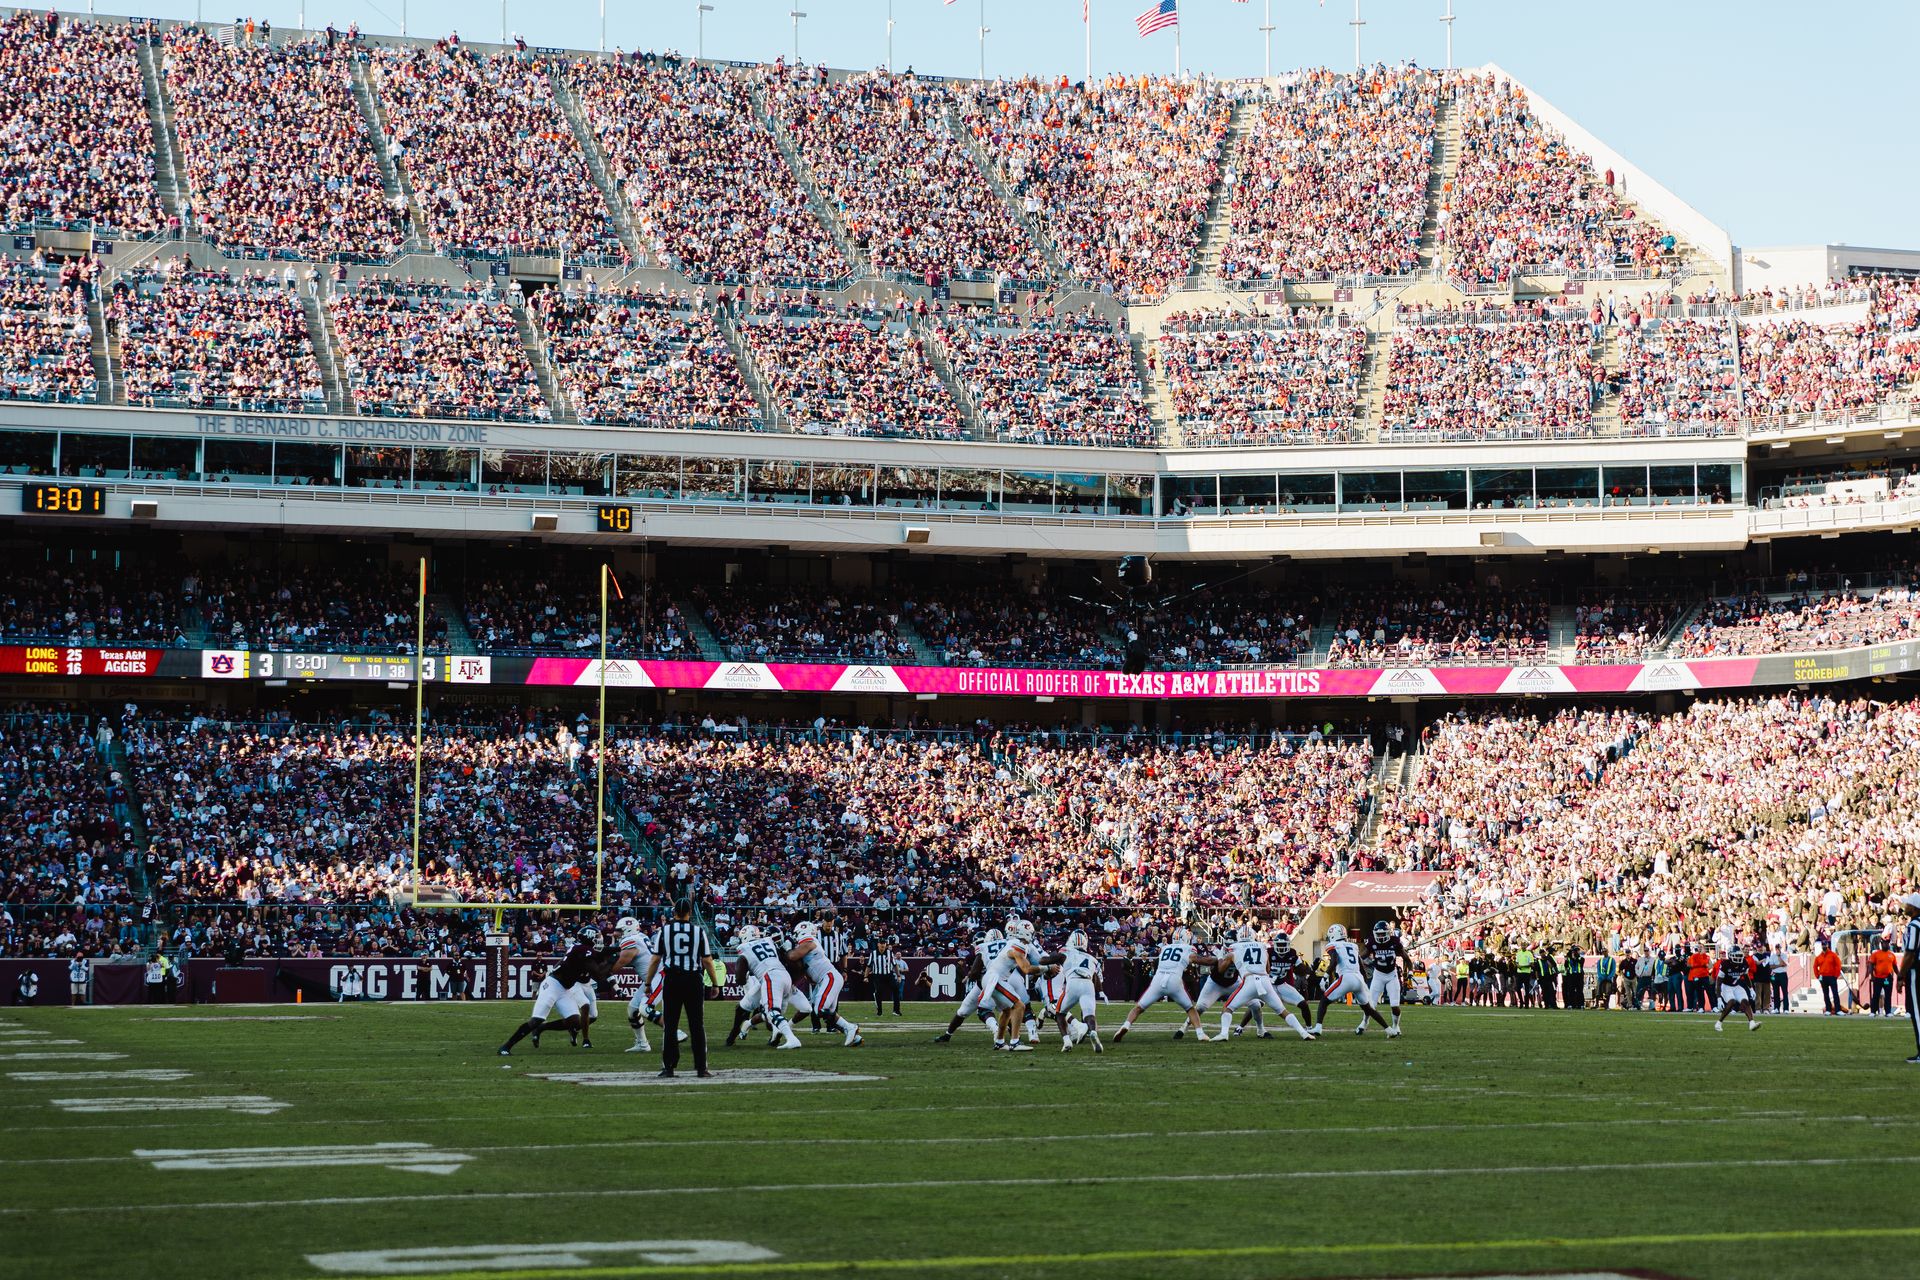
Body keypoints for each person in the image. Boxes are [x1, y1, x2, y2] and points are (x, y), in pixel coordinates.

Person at [497, 928, 600, 1055]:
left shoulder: (580, 950)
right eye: (596, 936)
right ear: (589, 937)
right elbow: (597, 971)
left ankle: (542, 1028)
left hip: (565, 989)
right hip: (553, 985)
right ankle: (506, 1047)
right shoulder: (583, 950)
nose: (598, 939)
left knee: (575, 1021)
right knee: (537, 1019)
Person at [647, 898, 712, 1078]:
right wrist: (715, 982)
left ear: (674, 912)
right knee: (697, 1025)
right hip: (693, 980)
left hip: (673, 980)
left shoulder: (665, 931)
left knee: (670, 1025)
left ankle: (669, 1067)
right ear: (690, 912)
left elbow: (655, 959)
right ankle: (701, 1068)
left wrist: (647, 982)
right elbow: (707, 960)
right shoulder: (698, 931)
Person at [1112, 925, 1203, 1042]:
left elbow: (1158, 961)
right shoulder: (1188, 948)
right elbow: (1198, 959)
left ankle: (1125, 1025)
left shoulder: (1165, 948)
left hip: (1158, 979)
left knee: (1138, 1008)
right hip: (1174, 980)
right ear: (1185, 937)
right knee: (1190, 1008)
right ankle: (1200, 1033)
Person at [725, 924, 802, 1050]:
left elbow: (740, 980)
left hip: (770, 978)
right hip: (784, 976)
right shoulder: (768, 941)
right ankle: (735, 1036)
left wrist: (748, 971)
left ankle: (792, 1039)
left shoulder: (744, 950)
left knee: (771, 1013)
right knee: (743, 1007)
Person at [787, 921, 862, 1047]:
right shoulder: (809, 945)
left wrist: (786, 948)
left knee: (820, 1009)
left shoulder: (810, 943)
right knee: (826, 1014)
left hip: (829, 977)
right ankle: (855, 1036)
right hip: (826, 979)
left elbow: (792, 956)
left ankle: (850, 1027)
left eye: (797, 933)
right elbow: (808, 975)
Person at [1314, 924, 1391, 1036]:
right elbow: (1361, 966)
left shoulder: (1333, 945)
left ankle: (1317, 1028)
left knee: (1324, 1001)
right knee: (1368, 1009)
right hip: (1358, 978)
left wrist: (1325, 977)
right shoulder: (1353, 945)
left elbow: (1334, 960)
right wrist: (1363, 982)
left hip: (1346, 977)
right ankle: (1389, 1029)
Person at [1362, 920, 1408, 1038]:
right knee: (1371, 1004)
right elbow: (1363, 956)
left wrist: (1409, 972)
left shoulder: (1395, 942)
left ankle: (1395, 1025)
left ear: (1388, 933)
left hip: (1392, 975)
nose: (1381, 936)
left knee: (1395, 1005)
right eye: (1379, 934)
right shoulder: (1372, 942)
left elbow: (1406, 958)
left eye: (1383, 934)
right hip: (1378, 975)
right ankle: (1364, 1022)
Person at [1711, 945, 1761, 1033]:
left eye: (1739, 955)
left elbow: (1746, 976)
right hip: (1725, 986)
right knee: (1732, 1001)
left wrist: (1751, 989)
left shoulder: (1744, 962)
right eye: (1736, 955)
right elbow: (1718, 983)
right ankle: (1719, 1023)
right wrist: (1719, 998)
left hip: (1736, 986)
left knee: (1745, 1001)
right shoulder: (1725, 964)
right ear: (1730, 955)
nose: (1738, 958)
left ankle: (1752, 1023)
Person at [1897, 893, 1920, 1064]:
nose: (1905, 907)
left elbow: (1910, 953)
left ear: (1914, 908)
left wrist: (1900, 974)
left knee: (1917, 1012)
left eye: (1908, 905)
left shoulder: (1914, 926)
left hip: (1916, 971)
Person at [869, 936, 904, 1017]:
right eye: (881, 943)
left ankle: (896, 1010)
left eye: (884, 943)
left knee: (896, 990)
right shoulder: (873, 953)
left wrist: (898, 975)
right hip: (877, 975)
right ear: (878, 944)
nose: (882, 945)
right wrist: (865, 976)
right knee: (879, 992)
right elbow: (868, 966)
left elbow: (895, 965)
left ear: (886, 944)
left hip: (888, 974)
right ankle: (879, 1011)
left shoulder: (890, 953)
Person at [1868, 936, 1898, 1017]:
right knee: (1876, 995)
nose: (1886, 944)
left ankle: (1888, 1012)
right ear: (1881, 944)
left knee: (1888, 995)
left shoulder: (1892, 955)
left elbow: (1895, 966)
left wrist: (1899, 975)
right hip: (1878, 977)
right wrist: (1871, 974)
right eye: (1885, 943)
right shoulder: (1876, 954)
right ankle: (1873, 1012)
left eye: (1887, 943)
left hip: (1888, 978)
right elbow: (1871, 964)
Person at [1814, 942, 1844, 1016]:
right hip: (1823, 977)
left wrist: (1836, 975)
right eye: (1823, 945)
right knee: (1826, 994)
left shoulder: (1833, 955)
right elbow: (1815, 966)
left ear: (1827, 945)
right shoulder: (1819, 957)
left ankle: (1838, 1010)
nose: (1824, 946)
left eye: (1825, 945)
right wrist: (1818, 976)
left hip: (1832, 977)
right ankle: (1828, 1009)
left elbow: (1838, 965)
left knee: (1835, 993)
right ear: (1821, 946)